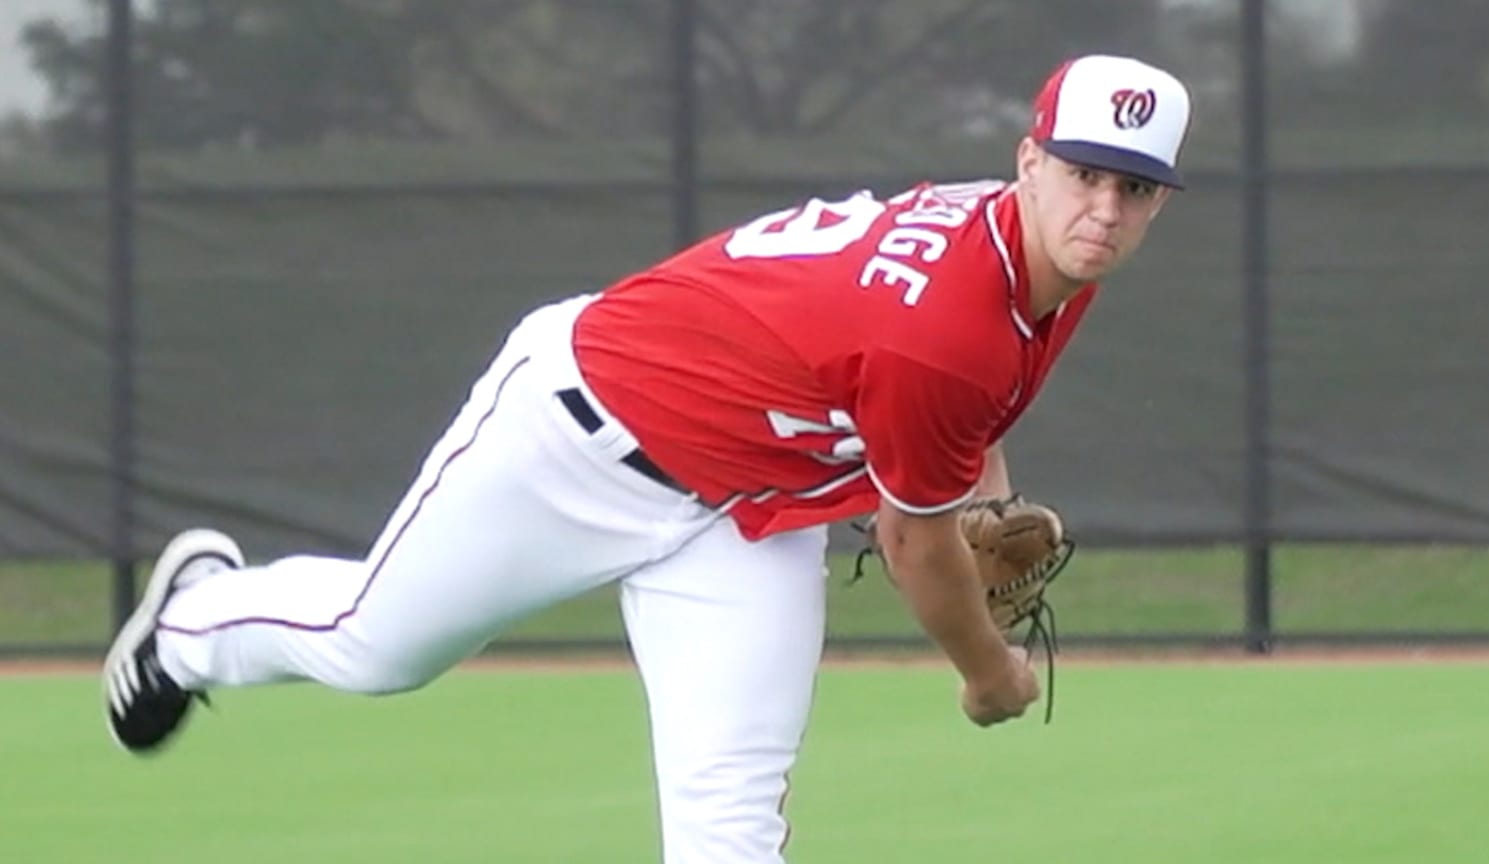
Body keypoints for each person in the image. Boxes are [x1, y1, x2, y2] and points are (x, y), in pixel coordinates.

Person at [104, 53, 1191, 863]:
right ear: (1029, 160)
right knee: (375, 647)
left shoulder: (1031, 256)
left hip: (744, 512)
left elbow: (961, 416)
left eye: (1133, 188)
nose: (1102, 210)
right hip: (575, 438)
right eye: (1083, 173)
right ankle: (194, 623)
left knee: (730, 817)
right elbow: (913, 541)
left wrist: (979, 500)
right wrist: (987, 672)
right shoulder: (953, 320)